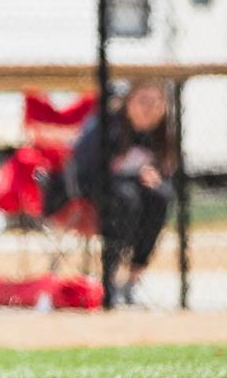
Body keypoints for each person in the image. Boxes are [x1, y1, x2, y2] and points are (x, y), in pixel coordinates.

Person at [48, 82, 174, 306]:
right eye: (143, 101)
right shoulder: (107, 125)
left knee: (160, 196)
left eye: (156, 103)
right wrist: (132, 176)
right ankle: (110, 280)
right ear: (128, 102)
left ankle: (132, 280)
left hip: (135, 198)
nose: (149, 108)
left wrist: (152, 175)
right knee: (126, 198)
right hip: (91, 195)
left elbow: (165, 172)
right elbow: (85, 173)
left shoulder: (160, 134)